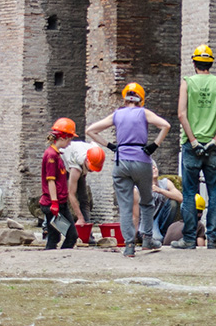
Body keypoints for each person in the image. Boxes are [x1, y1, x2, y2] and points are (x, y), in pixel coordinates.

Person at [86, 83, 174, 256]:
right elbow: (166, 125)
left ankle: (129, 246)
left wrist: (111, 146)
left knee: (125, 206)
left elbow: (91, 130)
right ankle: (148, 239)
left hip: (121, 162)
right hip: (142, 160)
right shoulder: (144, 112)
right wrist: (154, 146)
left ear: (124, 98)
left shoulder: (117, 114)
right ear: (141, 99)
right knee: (147, 202)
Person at [173, 44, 216, 249]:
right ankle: (212, 239)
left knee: (189, 193)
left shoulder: (187, 82)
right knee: (214, 192)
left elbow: (181, 114)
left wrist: (193, 141)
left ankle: (189, 239)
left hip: (191, 144)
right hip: (213, 147)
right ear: (211, 63)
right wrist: (214, 140)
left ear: (194, 62)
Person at [41, 118, 80, 250]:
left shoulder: (57, 155)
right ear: (62, 137)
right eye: (69, 139)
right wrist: (54, 203)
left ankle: (58, 256)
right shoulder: (51, 156)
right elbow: (50, 180)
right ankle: (54, 257)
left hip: (59, 203)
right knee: (60, 236)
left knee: (67, 235)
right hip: (53, 205)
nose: (70, 143)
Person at [61, 136, 106, 239]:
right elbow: (71, 193)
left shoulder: (96, 152)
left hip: (79, 160)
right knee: (60, 199)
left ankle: (87, 233)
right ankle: (51, 230)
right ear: (86, 161)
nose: (93, 171)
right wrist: (79, 217)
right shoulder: (76, 168)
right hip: (63, 164)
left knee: (84, 199)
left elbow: (93, 141)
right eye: (91, 168)